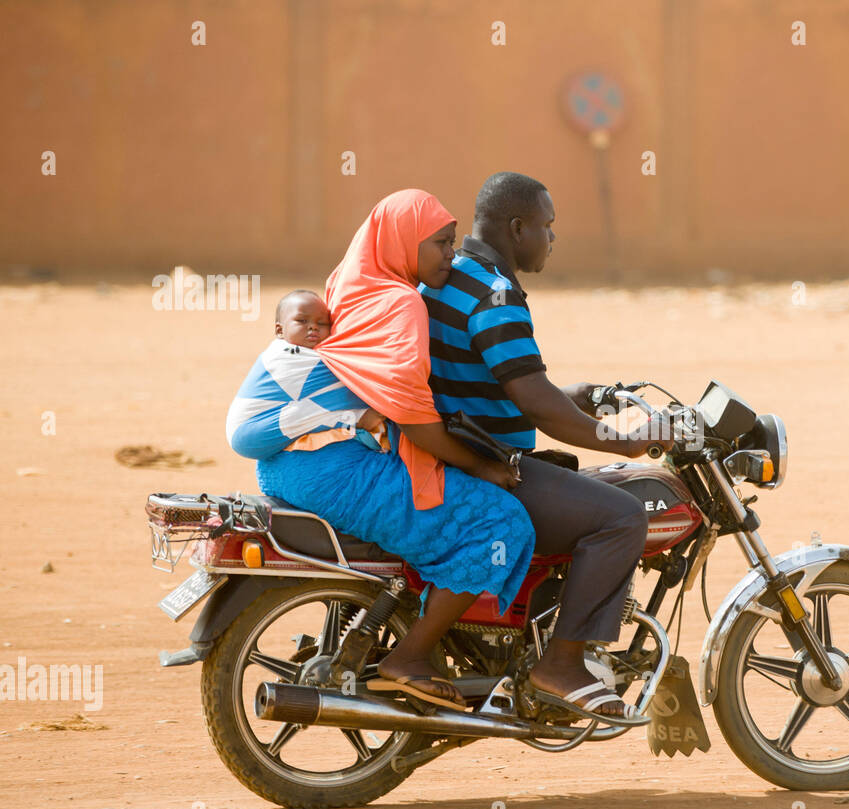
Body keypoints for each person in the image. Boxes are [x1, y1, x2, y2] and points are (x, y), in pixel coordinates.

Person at [248, 189, 535, 710]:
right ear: (404, 243)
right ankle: (411, 655)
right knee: (503, 522)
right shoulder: (402, 303)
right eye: (442, 243)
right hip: (334, 469)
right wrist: (484, 466)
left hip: (290, 462)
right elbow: (414, 417)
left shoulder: (348, 280)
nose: (453, 254)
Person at [422, 172, 673, 726]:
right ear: (517, 229)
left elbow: (499, 383)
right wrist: (624, 439)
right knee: (620, 517)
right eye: (547, 226)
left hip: (460, 452)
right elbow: (533, 401)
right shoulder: (494, 291)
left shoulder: (449, 277)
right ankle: (561, 664)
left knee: (586, 490)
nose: (552, 239)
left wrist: (582, 396)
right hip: (487, 467)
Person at [225, 291, 388, 459]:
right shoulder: (285, 356)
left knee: (326, 397)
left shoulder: (309, 355)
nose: (313, 327)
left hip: (267, 427)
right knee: (341, 390)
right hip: (249, 433)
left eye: (323, 323)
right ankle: (356, 419)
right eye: (302, 321)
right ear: (280, 330)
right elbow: (350, 377)